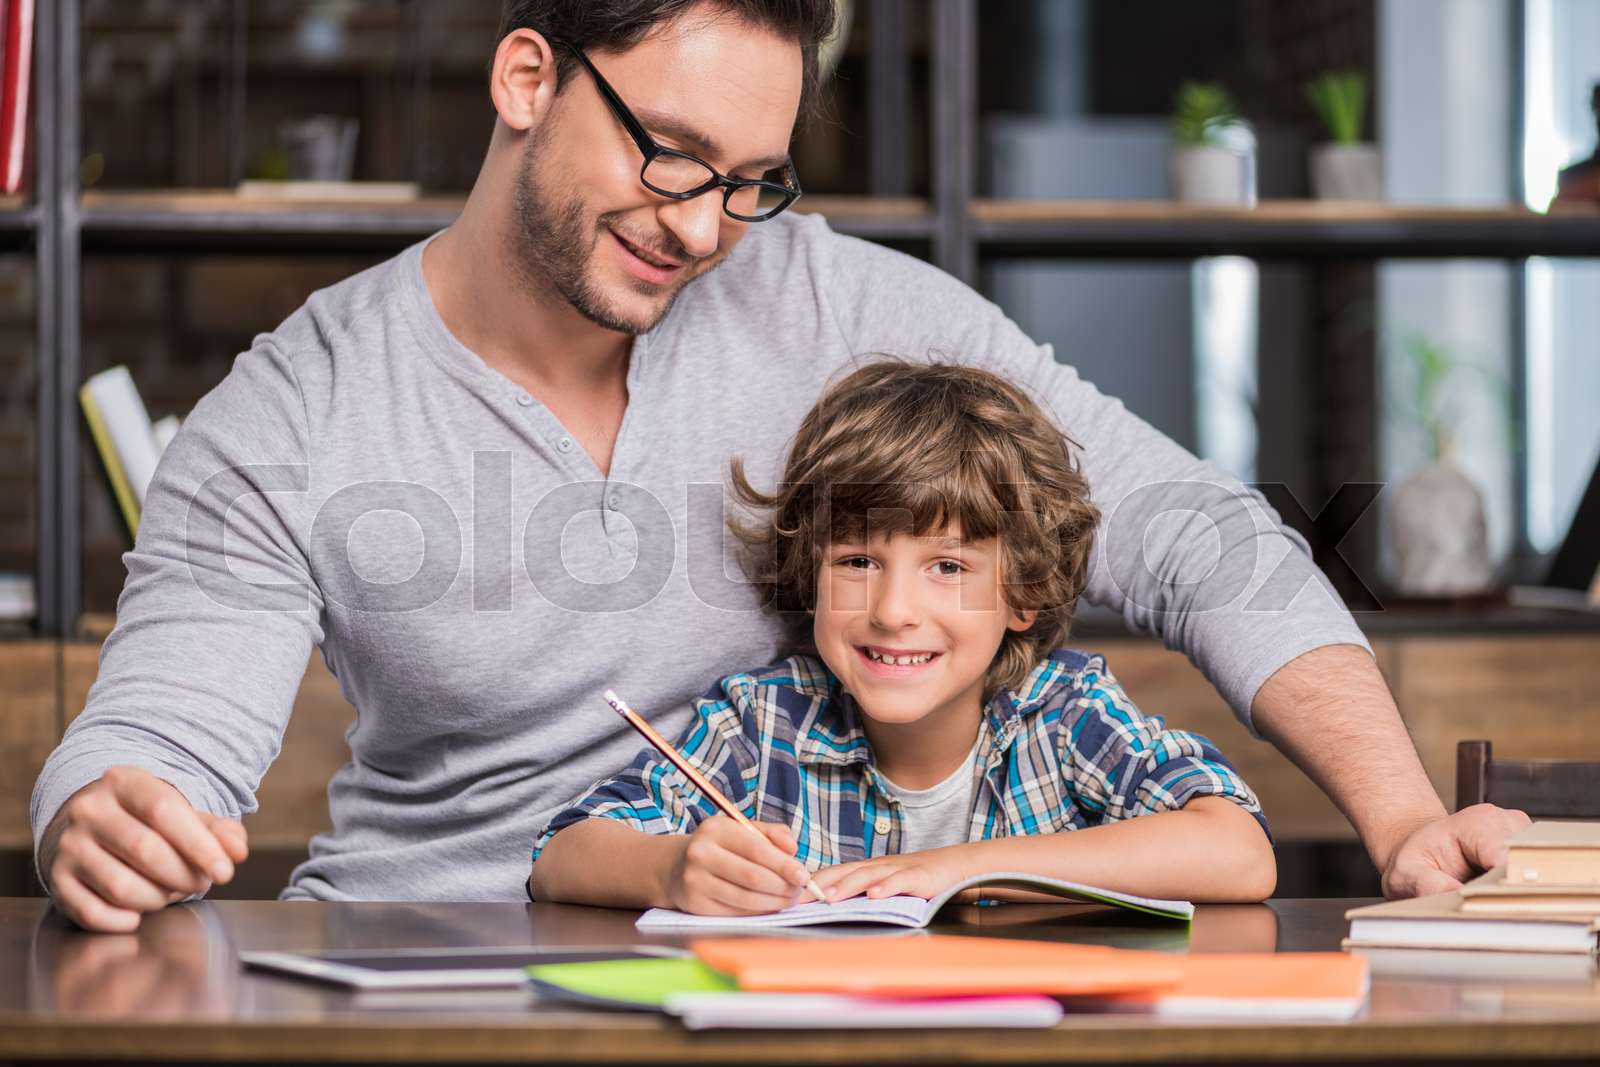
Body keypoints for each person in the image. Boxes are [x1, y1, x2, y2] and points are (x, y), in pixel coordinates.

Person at [32, 0, 1526, 932]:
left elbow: (1198, 533)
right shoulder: (295, 402)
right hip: (425, 966)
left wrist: (1401, 817)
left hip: (767, 972)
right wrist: (104, 812)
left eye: (750, 180)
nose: (702, 227)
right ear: (527, 78)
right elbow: (157, 735)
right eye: (670, 153)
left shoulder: (838, 302)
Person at [528, 362, 1276, 913]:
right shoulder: (763, 721)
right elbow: (561, 854)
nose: (893, 610)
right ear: (810, 574)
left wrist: (962, 868)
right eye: (857, 561)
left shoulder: (1063, 712)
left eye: (947, 567)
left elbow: (1238, 850)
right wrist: (673, 870)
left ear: (1023, 592)